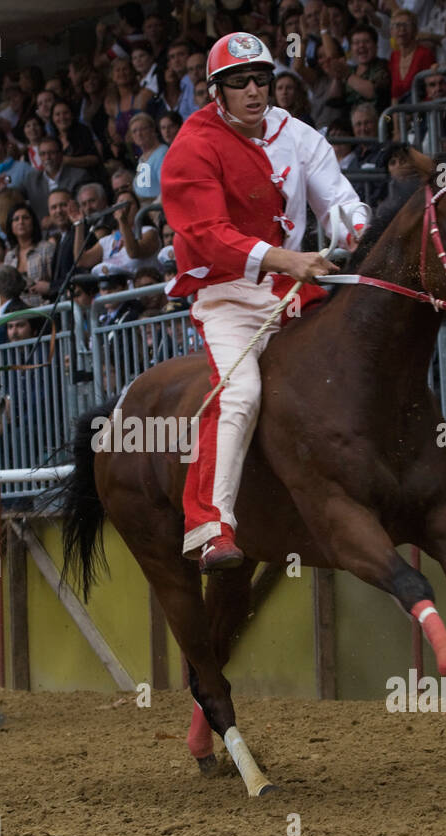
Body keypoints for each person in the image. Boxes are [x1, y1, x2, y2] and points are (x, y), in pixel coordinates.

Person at [160, 32, 371, 569]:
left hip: (296, 286)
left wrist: (353, 228)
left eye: (262, 80)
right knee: (241, 392)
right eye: (239, 83)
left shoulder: (297, 134)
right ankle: (212, 526)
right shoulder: (191, 147)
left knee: (367, 351)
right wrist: (285, 259)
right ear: (217, 92)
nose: (254, 91)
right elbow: (206, 233)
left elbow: (339, 201)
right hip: (229, 295)